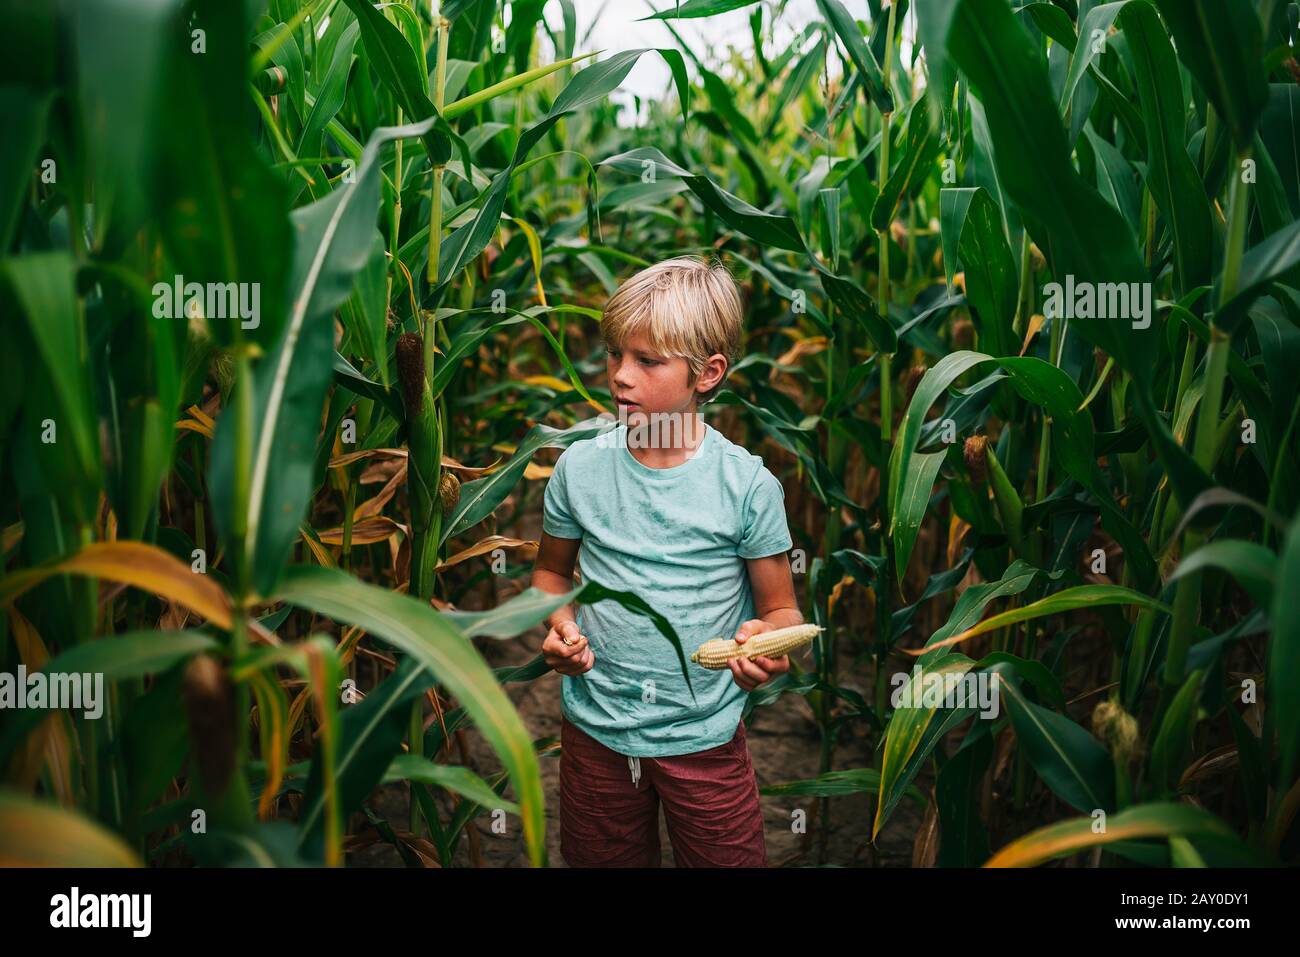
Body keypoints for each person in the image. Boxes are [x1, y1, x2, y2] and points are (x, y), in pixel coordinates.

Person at [529, 255, 802, 867]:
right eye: (614, 355)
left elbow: (782, 609)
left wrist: (768, 643)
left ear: (707, 373)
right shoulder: (580, 470)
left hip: (704, 741)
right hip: (597, 732)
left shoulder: (746, 488)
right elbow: (549, 576)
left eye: (647, 361)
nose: (620, 377)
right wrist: (559, 627)